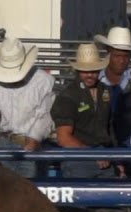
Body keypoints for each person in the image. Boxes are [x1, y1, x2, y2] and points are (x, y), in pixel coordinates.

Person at [0, 37, 54, 178]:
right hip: (5, 142)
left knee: (27, 189)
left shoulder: (43, 81)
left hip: (33, 145)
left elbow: (45, 115)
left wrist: (34, 139)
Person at [51, 43, 119, 179]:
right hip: (78, 159)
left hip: (104, 156)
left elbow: (110, 128)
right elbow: (64, 138)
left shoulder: (105, 91)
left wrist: (117, 159)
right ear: (77, 71)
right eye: (85, 70)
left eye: (93, 70)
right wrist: (93, 154)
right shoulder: (68, 96)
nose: (89, 75)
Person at [94, 26, 131, 152]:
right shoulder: (95, 81)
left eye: (126, 56)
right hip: (99, 148)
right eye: (117, 56)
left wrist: (128, 145)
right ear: (108, 54)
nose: (122, 61)